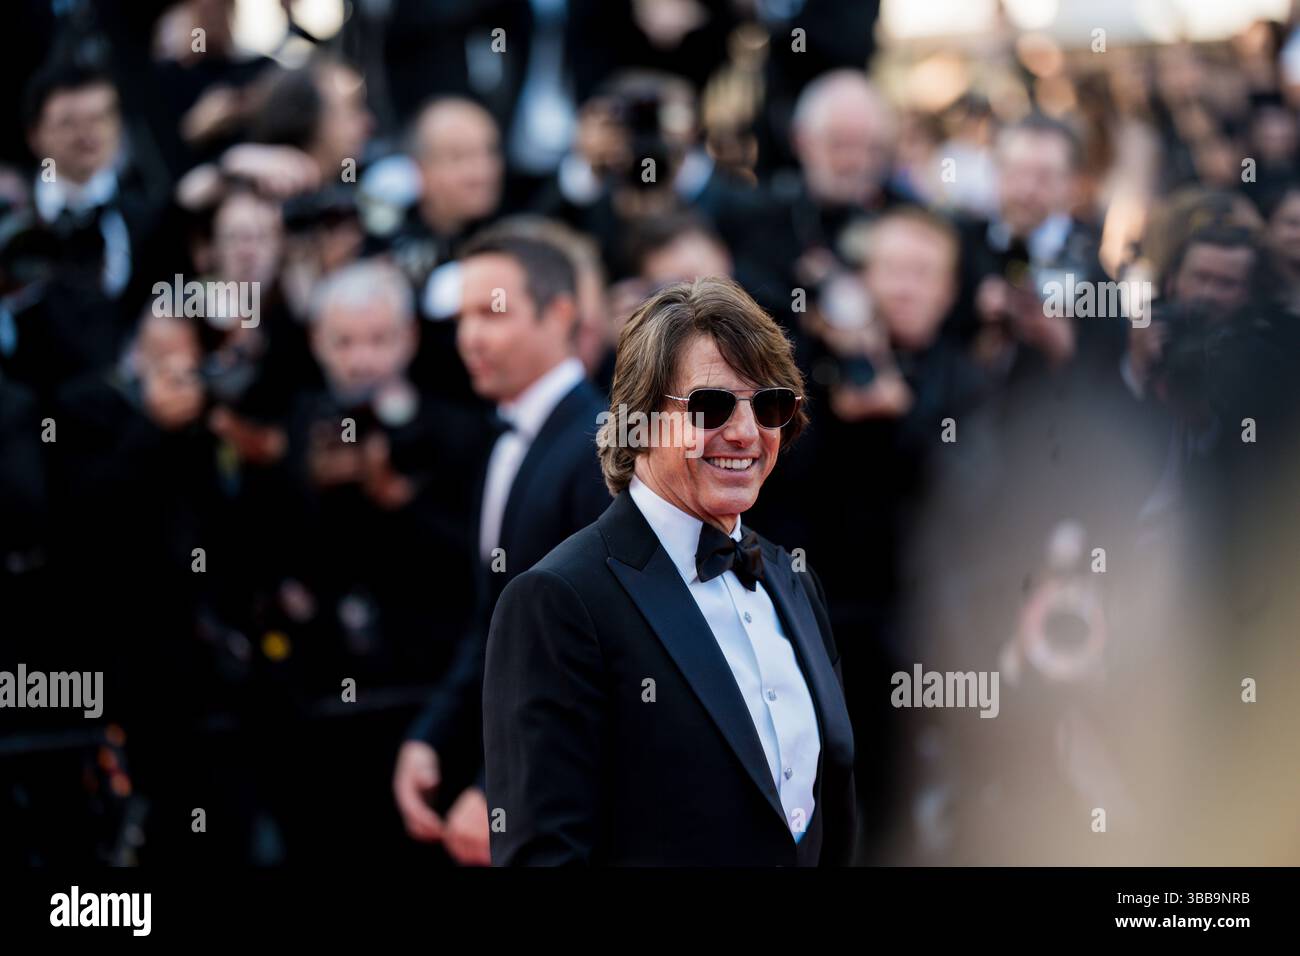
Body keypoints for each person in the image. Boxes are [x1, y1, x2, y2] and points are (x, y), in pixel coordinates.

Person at [482, 275, 856, 865]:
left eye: (770, 404)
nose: (743, 432)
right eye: (710, 406)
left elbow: (828, 820)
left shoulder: (791, 579)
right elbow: (545, 855)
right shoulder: (560, 599)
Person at [393, 233, 608, 865]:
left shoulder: (601, 449)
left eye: (492, 313)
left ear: (560, 316)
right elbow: (493, 623)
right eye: (461, 318)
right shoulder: (505, 438)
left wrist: (500, 790)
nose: (469, 338)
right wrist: (433, 736)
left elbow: (589, 655)